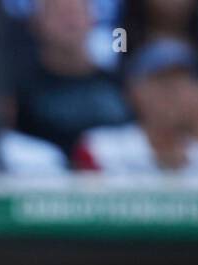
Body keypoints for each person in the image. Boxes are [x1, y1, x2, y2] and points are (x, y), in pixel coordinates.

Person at [72, 39, 198, 174]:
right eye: (162, 83)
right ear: (134, 91)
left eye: (182, 83)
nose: (173, 93)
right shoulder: (100, 149)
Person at [14, 0, 133, 157]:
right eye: (59, 15)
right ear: (36, 23)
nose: (69, 22)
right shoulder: (20, 88)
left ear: (93, 19)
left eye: (75, 13)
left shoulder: (117, 83)